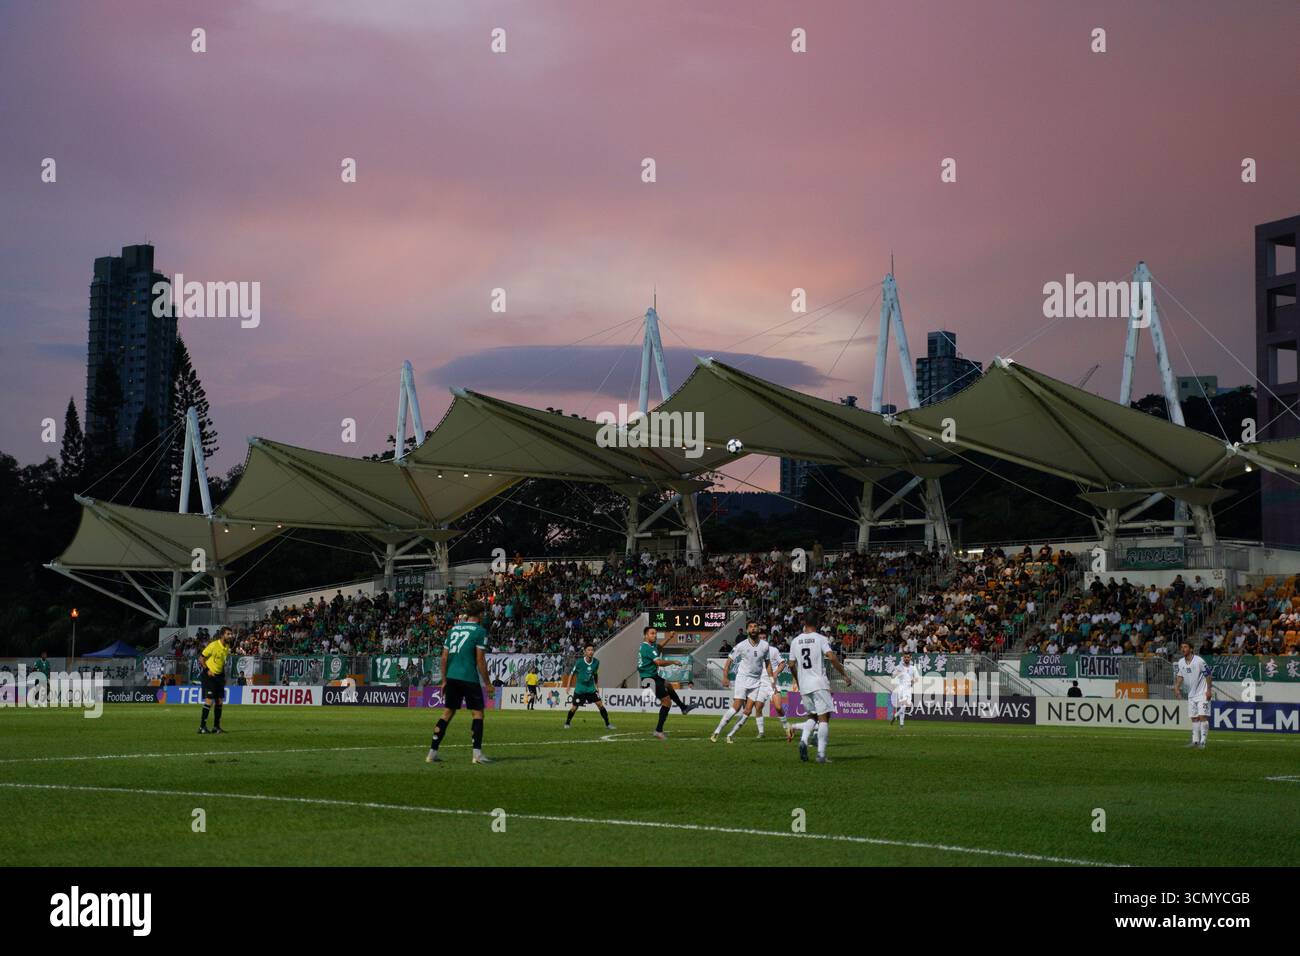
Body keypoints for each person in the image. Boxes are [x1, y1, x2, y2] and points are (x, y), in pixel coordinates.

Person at [427, 603, 493, 764]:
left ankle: (432, 753)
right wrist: (488, 683)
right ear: (479, 615)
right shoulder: (479, 631)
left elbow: (444, 657)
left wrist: (444, 680)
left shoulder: (453, 630)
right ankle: (477, 755)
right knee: (477, 713)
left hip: (451, 677)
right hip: (468, 677)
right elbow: (480, 660)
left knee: (447, 713)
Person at [789, 619, 850, 763]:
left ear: (804, 625)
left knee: (812, 716)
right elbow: (831, 657)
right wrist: (844, 674)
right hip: (819, 683)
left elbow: (791, 664)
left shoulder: (795, 641)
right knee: (824, 718)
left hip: (804, 685)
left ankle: (803, 740)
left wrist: (798, 680)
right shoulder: (820, 638)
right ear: (816, 625)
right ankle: (821, 755)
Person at [711, 622, 772, 743]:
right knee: (737, 707)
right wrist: (725, 677)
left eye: (755, 626)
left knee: (748, 711)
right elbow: (728, 662)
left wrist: (772, 680)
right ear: (747, 630)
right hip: (743, 679)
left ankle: (730, 735)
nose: (753, 629)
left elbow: (768, 663)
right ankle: (717, 731)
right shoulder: (741, 645)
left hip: (756, 681)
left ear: (759, 629)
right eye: (751, 627)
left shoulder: (765, 646)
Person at [638, 626, 694, 740]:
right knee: (667, 702)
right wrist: (673, 661)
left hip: (652, 676)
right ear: (646, 635)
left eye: (655, 633)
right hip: (649, 679)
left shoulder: (650, 646)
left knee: (668, 684)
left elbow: (659, 647)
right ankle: (658, 731)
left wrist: (669, 637)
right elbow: (659, 662)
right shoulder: (647, 648)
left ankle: (683, 708)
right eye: (652, 633)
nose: (654, 635)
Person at [563, 644, 614, 730]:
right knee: (574, 707)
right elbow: (572, 674)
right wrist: (568, 686)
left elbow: (595, 674)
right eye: (588, 650)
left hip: (590, 688)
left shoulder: (596, 662)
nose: (591, 652)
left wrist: (597, 686)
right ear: (585, 652)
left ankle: (608, 724)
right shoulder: (579, 662)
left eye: (592, 650)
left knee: (600, 705)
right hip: (580, 688)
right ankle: (567, 723)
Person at [1173, 640, 1212, 749]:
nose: (1183, 649)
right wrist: (1176, 688)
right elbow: (1180, 676)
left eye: (1185, 647)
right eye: (1182, 647)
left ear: (1191, 649)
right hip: (1191, 694)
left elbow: (1208, 675)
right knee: (1194, 718)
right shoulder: (1181, 662)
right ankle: (1195, 741)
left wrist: (1209, 690)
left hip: (1202, 693)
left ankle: (1203, 742)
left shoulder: (1199, 661)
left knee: (1202, 716)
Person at [198, 628, 236, 734]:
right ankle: (202, 727)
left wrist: (222, 676)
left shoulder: (227, 647)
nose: (230, 636)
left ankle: (216, 727)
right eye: (228, 634)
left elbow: (221, 662)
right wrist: (207, 670)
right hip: (209, 675)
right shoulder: (213, 645)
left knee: (219, 701)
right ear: (222, 635)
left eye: (231, 634)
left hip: (219, 676)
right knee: (209, 699)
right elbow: (201, 658)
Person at [889, 651, 920, 727]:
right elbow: (892, 676)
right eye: (905, 657)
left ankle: (901, 723)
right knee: (905, 705)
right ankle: (897, 718)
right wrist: (895, 673)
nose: (906, 658)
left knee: (904, 706)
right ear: (903, 658)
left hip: (909, 688)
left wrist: (913, 681)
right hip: (901, 688)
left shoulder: (913, 668)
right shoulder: (899, 667)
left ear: (910, 658)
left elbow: (917, 678)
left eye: (908, 657)